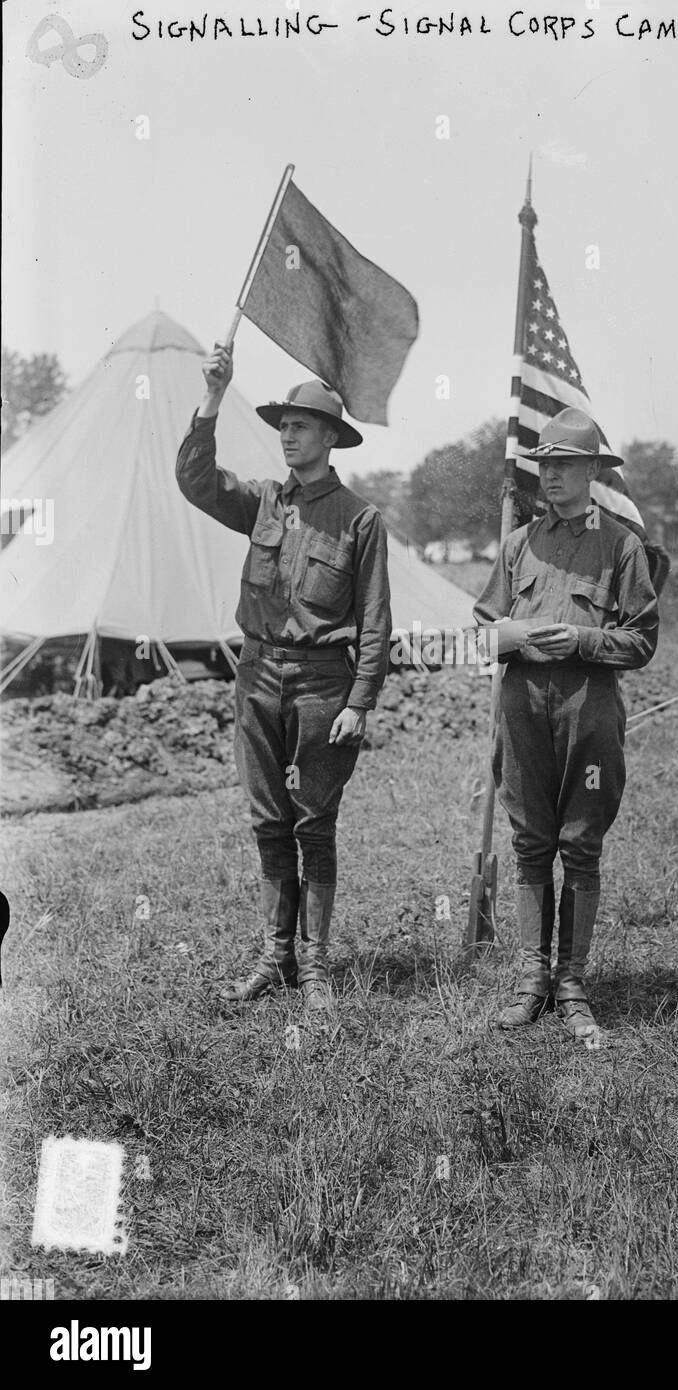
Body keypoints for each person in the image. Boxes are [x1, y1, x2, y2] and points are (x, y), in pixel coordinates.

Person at [175, 343, 391, 1012]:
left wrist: (361, 701)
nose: (287, 435)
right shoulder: (263, 501)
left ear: (330, 437)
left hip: (325, 686)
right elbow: (195, 480)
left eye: (300, 425)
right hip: (258, 679)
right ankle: (276, 957)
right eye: (283, 425)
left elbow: (378, 621)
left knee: (313, 825)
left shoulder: (360, 518)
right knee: (269, 823)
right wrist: (213, 398)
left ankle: (318, 965)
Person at [473, 407, 659, 1039]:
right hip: (522, 705)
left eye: (566, 465)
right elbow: (484, 632)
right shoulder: (520, 542)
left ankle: (572, 982)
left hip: (590, 708)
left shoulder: (620, 546)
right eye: (545, 465)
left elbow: (641, 642)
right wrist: (514, 637)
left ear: (591, 471)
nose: (552, 476)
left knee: (579, 844)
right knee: (529, 841)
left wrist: (582, 639)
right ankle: (532, 979)